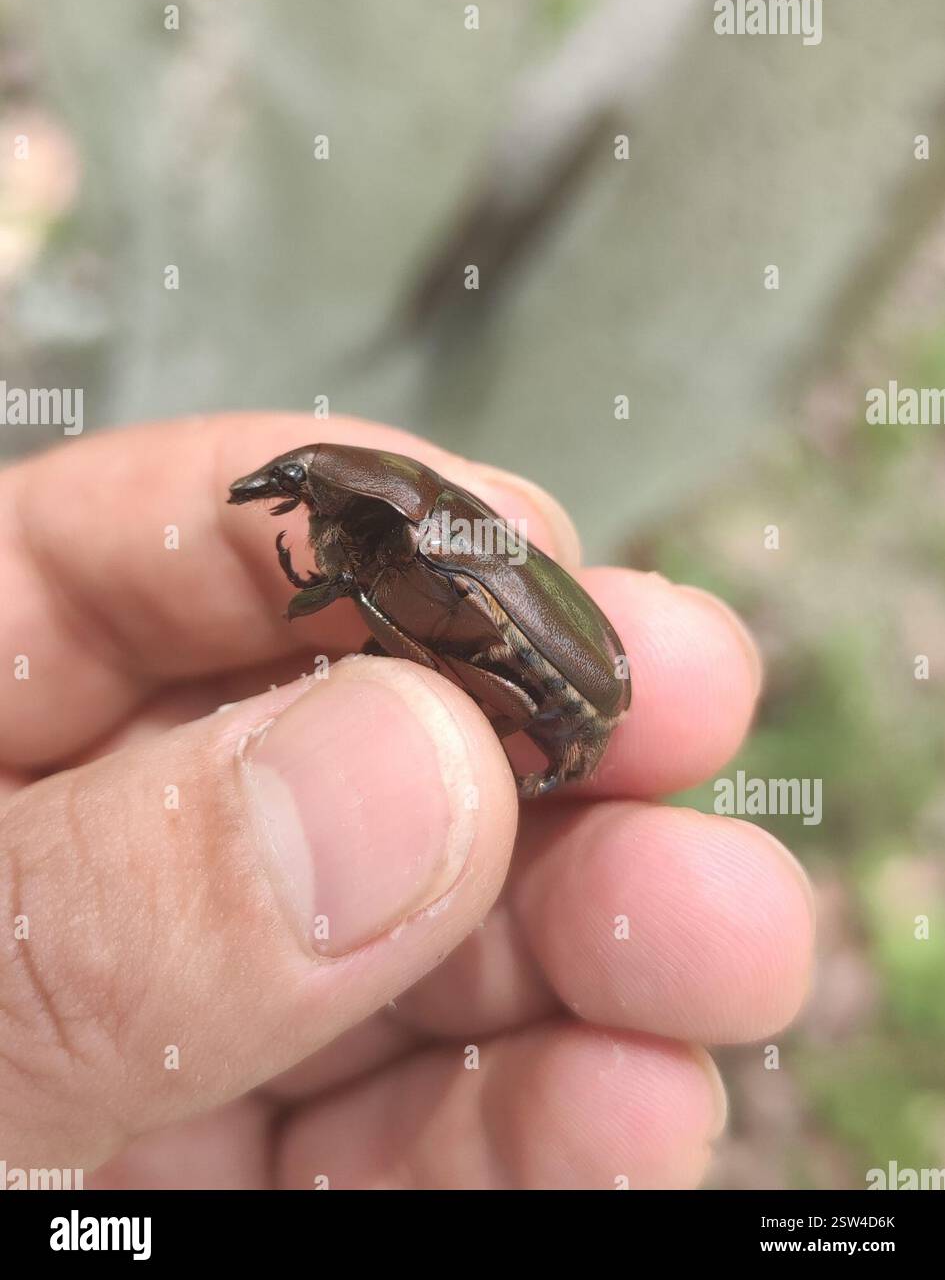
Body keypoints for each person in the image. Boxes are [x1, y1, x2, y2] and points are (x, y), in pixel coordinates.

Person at [0, 414, 813, 1189]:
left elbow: (447, 644)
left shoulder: (430, 540)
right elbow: (409, 630)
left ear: (377, 509)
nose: (310, 512)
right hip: (548, 667)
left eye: (318, 496)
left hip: (570, 683)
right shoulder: (405, 542)